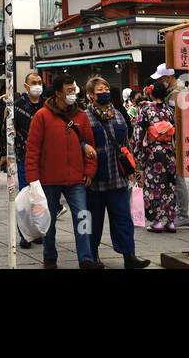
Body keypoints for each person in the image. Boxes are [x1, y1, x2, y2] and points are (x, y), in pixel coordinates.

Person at [25, 73, 100, 269]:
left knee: (83, 216)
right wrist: (33, 180)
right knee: (48, 222)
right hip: (48, 180)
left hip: (76, 179)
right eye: (68, 91)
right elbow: (32, 150)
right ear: (58, 93)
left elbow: (91, 146)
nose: (73, 94)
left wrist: (89, 172)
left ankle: (86, 258)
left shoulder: (81, 115)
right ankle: (49, 257)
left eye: (74, 90)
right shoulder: (42, 116)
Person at [83, 76, 150, 269]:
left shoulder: (118, 114)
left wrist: (133, 169)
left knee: (123, 220)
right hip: (95, 181)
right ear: (90, 95)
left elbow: (126, 144)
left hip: (118, 179)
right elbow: (78, 142)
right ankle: (92, 255)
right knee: (93, 222)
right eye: (99, 90)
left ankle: (129, 255)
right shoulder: (84, 116)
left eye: (105, 88)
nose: (104, 92)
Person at [132, 81, 179, 232]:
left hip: (153, 152)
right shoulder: (169, 111)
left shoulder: (146, 109)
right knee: (169, 185)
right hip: (169, 152)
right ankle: (170, 220)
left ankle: (158, 221)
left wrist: (137, 150)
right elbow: (174, 132)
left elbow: (139, 131)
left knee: (154, 186)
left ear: (151, 93)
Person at [12, 72, 47, 247]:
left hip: (45, 158)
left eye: (39, 82)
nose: (37, 85)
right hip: (23, 156)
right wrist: (7, 154)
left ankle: (38, 231)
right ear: (26, 86)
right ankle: (25, 234)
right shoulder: (17, 106)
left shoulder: (47, 104)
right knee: (25, 197)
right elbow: (10, 131)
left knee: (40, 197)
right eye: (34, 82)